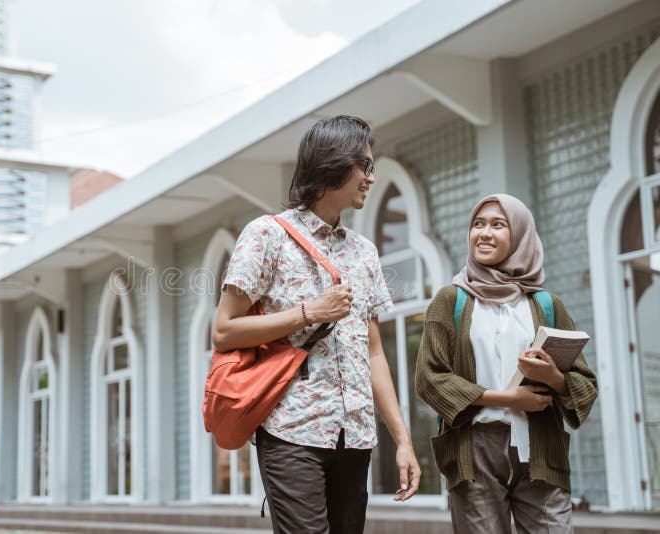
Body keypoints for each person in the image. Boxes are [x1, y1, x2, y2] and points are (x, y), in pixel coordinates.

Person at [212, 115, 420, 534]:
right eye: (364, 166)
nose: (371, 178)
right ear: (333, 165)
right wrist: (309, 312)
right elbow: (224, 329)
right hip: (291, 431)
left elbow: (374, 352)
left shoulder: (364, 252)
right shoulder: (266, 235)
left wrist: (403, 441)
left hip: (355, 435)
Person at [415, 194, 598, 533]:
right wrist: (509, 400)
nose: (484, 233)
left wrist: (554, 378)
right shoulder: (451, 300)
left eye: (498, 225)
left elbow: (585, 383)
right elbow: (430, 378)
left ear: (520, 235)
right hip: (475, 450)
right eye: (478, 224)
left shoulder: (545, 304)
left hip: (541, 447)